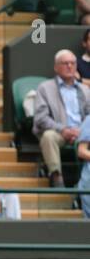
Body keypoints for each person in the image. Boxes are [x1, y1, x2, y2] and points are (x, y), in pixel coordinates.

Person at [35, 49, 90, 187]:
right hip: (59, 132)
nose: (69, 66)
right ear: (56, 67)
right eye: (65, 63)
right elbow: (41, 118)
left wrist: (82, 131)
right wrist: (63, 129)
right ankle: (56, 176)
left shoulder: (85, 90)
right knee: (48, 137)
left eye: (72, 63)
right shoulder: (45, 88)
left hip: (82, 133)